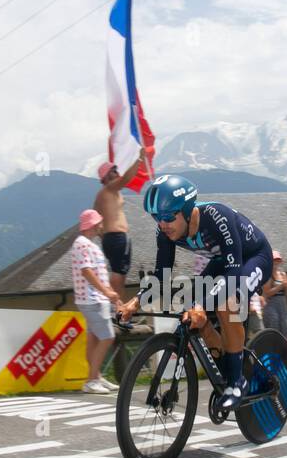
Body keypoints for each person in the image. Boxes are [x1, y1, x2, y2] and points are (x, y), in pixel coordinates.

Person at [117, 175, 274, 412]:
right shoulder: (165, 233)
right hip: (222, 261)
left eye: (168, 217)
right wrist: (134, 302)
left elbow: (233, 273)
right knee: (192, 313)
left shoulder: (216, 217)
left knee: (225, 304)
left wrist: (204, 305)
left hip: (253, 258)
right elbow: (162, 276)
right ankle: (228, 365)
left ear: (188, 210)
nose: (162, 224)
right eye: (156, 217)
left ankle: (236, 383)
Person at [72, 209, 122, 394]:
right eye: (99, 222)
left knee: (93, 339)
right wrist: (107, 293)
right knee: (107, 337)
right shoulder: (84, 244)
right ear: (93, 225)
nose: (102, 225)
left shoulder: (84, 243)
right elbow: (87, 271)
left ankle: (96, 377)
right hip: (92, 299)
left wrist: (108, 293)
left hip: (91, 298)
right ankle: (92, 380)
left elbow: (93, 272)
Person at [94, 156, 145, 327]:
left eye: (116, 170)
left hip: (112, 238)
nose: (117, 173)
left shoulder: (105, 194)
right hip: (116, 238)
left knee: (118, 274)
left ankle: (117, 310)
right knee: (119, 276)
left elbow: (94, 215)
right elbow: (126, 179)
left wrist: (102, 234)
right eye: (113, 171)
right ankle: (116, 312)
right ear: (106, 177)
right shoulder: (110, 188)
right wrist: (139, 160)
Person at [261, 249, 287, 340]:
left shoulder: (282, 274)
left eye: (278, 260)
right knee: (273, 333)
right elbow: (267, 293)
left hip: (282, 306)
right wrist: (281, 286)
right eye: (274, 260)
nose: (276, 262)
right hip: (271, 307)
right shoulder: (268, 275)